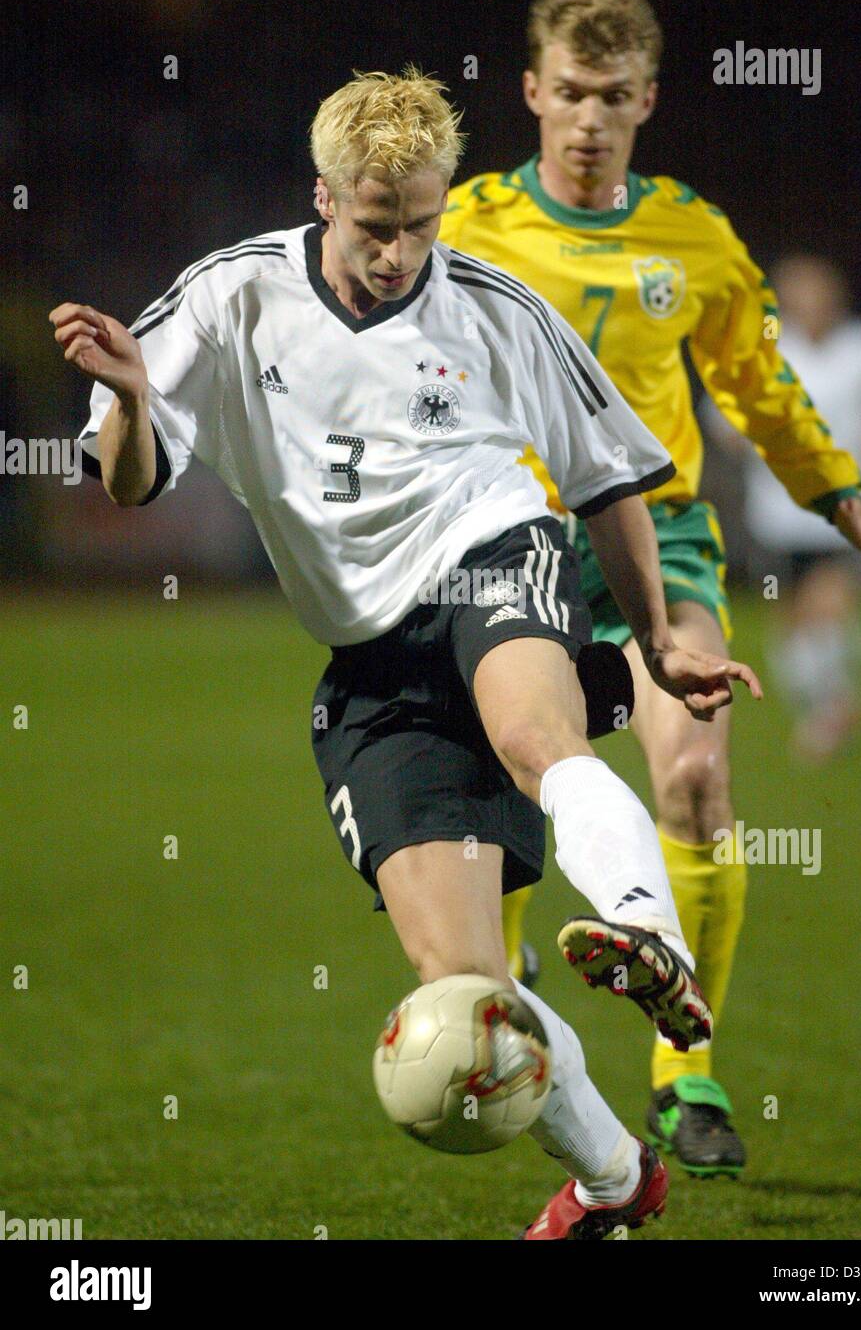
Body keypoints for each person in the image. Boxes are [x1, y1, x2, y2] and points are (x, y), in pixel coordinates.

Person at [50, 68, 762, 1239]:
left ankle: (649, 930)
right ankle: (615, 1183)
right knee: (467, 1003)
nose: (398, 252)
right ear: (321, 196)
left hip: (492, 554)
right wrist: (129, 397)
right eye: (376, 226)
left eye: (420, 224)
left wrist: (650, 639)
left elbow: (605, 484)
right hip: (371, 668)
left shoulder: (493, 305)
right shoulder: (229, 298)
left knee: (537, 731)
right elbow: (129, 484)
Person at [438, 0, 861, 1177]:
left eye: (613, 98)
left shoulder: (691, 235)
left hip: (660, 545)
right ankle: (501, 975)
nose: (588, 119)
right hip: (511, 544)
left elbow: (758, 380)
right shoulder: (467, 225)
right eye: (569, 94)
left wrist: (836, 494)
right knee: (515, 782)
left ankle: (681, 1073)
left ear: (644, 101)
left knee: (696, 775)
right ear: (532, 91)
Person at [740, 255, 861, 758]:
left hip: (853, 502)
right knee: (790, 618)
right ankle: (820, 700)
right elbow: (729, 420)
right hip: (779, 509)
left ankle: (834, 708)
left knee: (831, 599)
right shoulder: (768, 352)